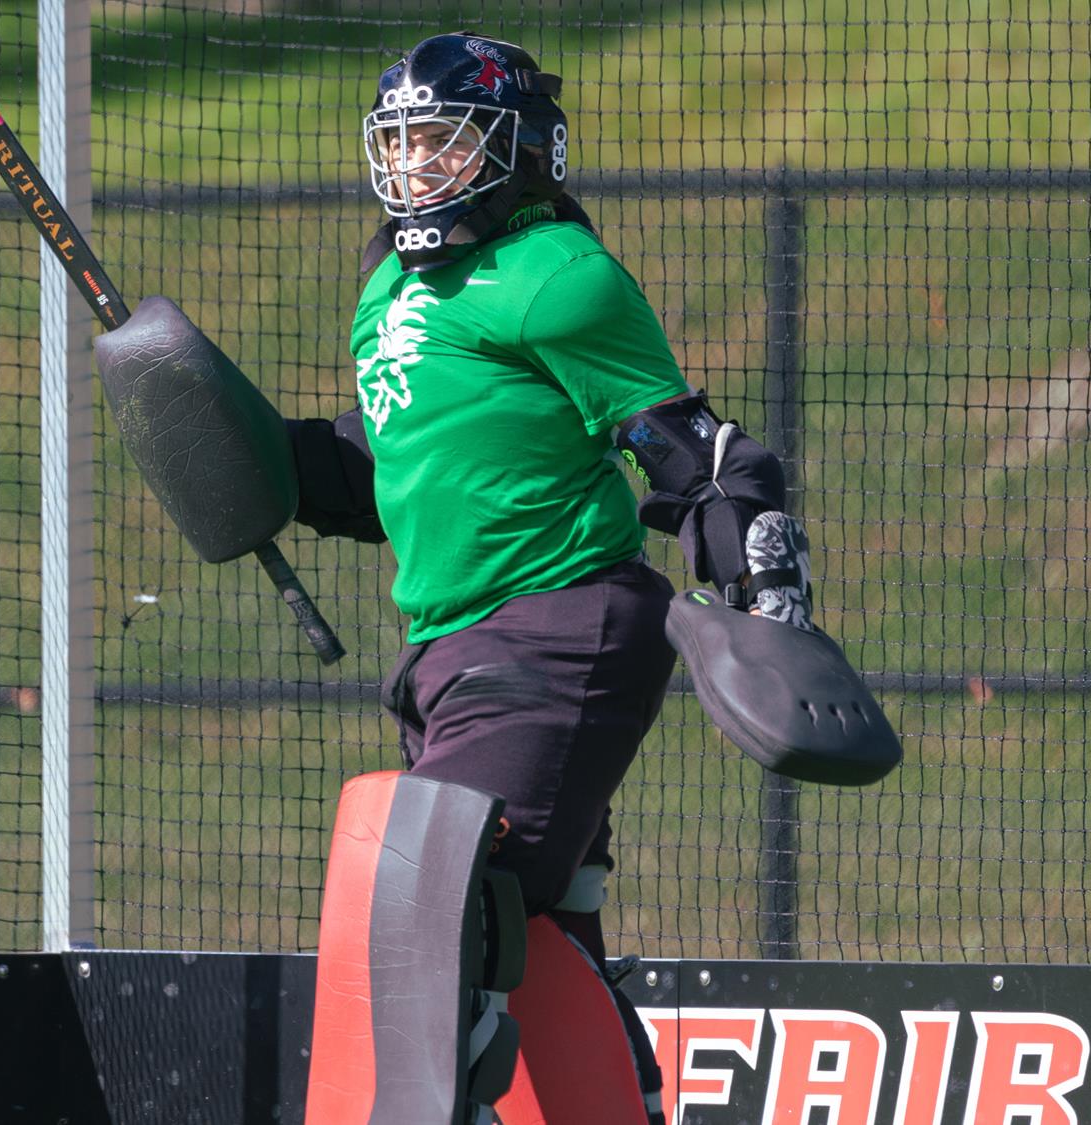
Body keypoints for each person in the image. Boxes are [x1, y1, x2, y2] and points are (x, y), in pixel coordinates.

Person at [290, 32, 815, 1125]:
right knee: (539, 935)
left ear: (520, 148)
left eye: (442, 140)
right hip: (450, 649)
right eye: (401, 143)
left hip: (555, 634)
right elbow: (397, 457)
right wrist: (249, 457)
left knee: (440, 915)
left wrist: (763, 589)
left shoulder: (557, 274)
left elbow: (687, 453)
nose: (415, 165)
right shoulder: (388, 285)